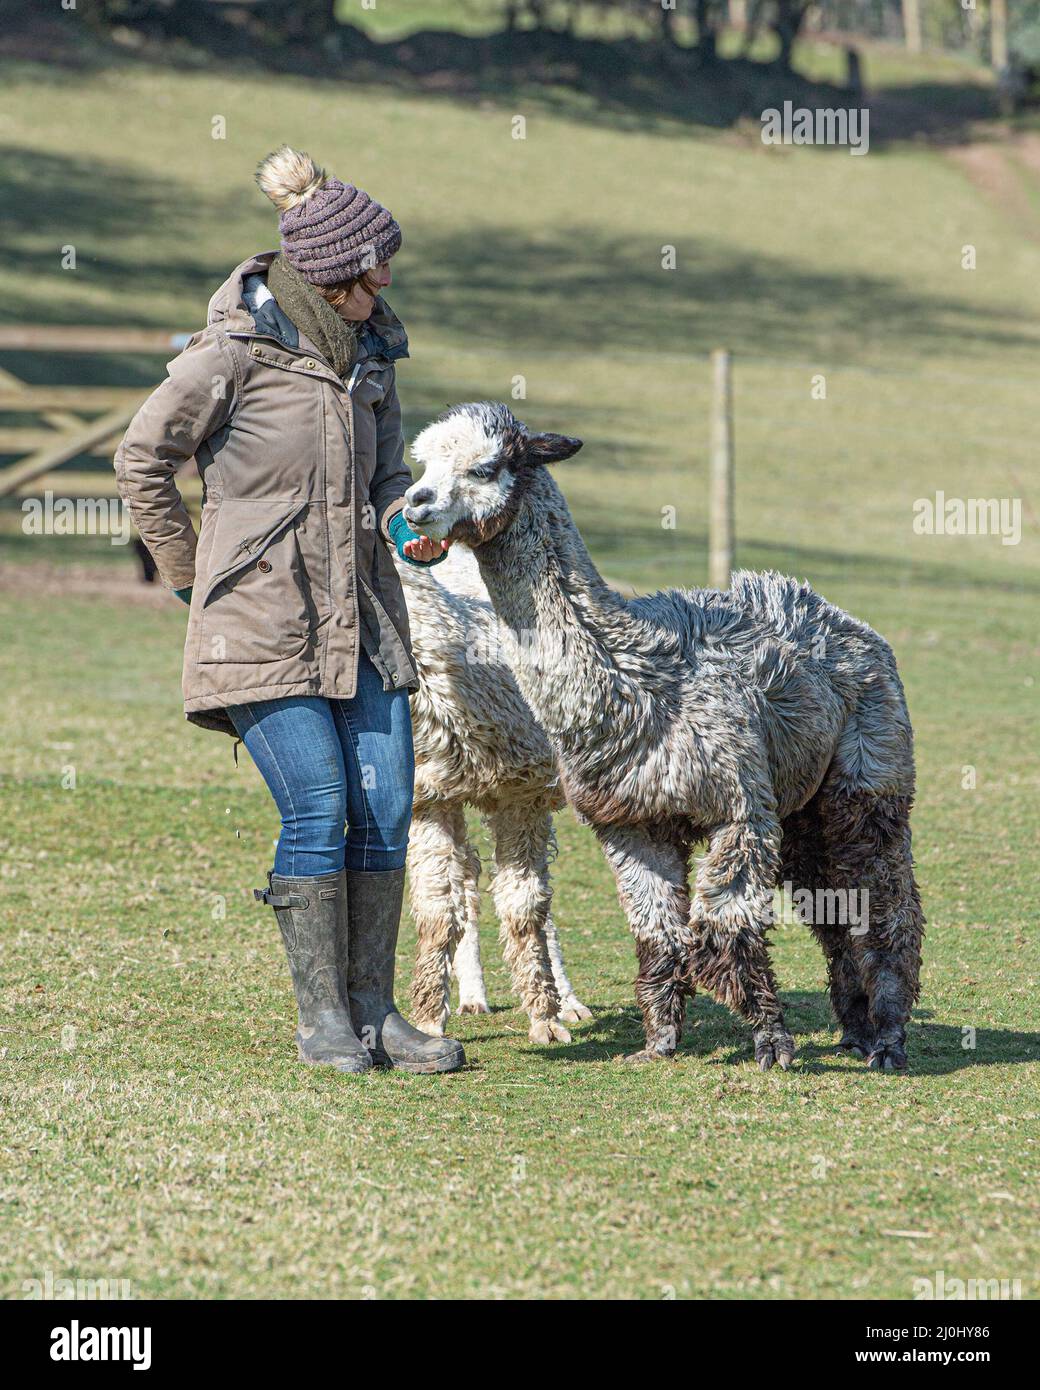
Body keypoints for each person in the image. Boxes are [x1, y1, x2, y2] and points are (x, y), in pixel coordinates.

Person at [115, 146, 464, 1075]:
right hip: (260, 628)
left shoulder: (372, 354)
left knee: (384, 807)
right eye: (372, 267)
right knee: (318, 805)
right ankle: (322, 1024)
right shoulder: (229, 355)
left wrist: (409, 527)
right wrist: (191, 579)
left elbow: (388, 476)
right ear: (329, 273)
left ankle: (377, 1014)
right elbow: (140, 458)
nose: (385, 279)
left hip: (366, 622)